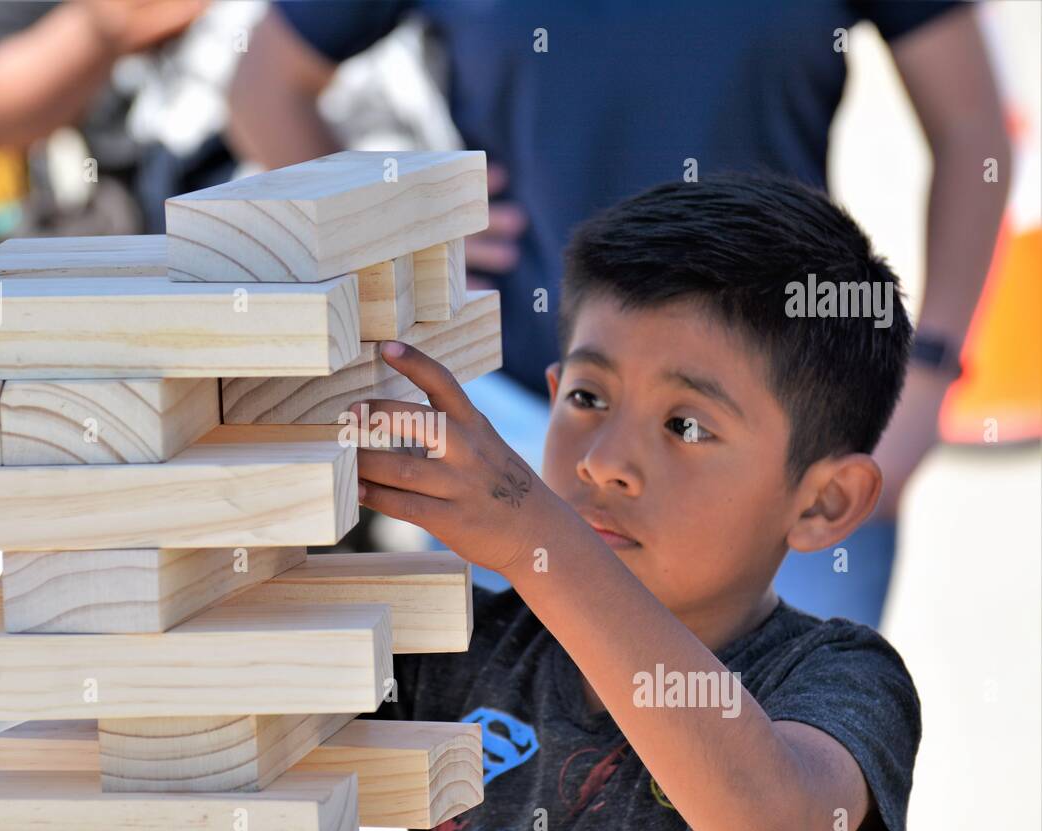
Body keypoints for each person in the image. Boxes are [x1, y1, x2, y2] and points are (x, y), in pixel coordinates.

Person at [229, 0, 1010, 621]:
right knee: (540, 799)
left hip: (783, 444)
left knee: (782, 785)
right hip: (529, 427)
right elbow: (264, 88)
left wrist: (930, 378)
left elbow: (973, 132)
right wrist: (397, 223)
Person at [349, 174, 919, 831]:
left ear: (824, 502)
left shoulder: (838, 678)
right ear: (552, 395)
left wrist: (538, 537)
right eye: (588, 397)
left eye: (686, 424)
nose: (603, 461)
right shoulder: (456, 648)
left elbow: (771, 822)